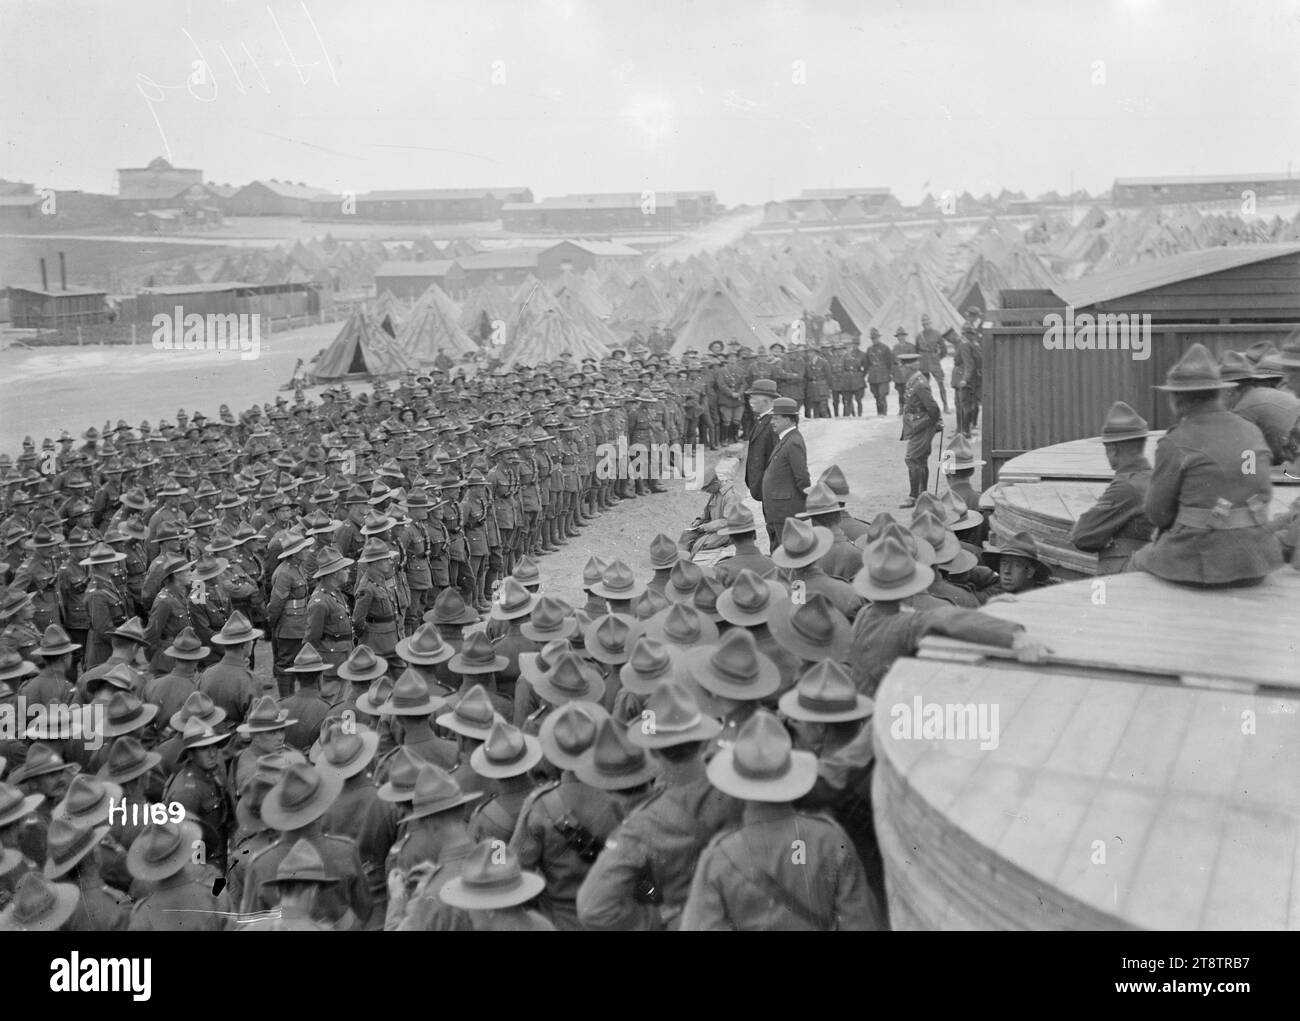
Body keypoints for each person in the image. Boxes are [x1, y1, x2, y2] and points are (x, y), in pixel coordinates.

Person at [680, 710, 882, 930]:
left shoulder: (719, 857)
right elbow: (861, 922)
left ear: (736, 785)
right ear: (790, 774)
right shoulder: (831, 840)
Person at [1130, 343, 1284, 586]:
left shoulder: (1176, 441)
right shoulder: (1251, 432)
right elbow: (1259, 487)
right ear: (1218, 393)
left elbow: (1157, 513)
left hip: (1199, 559)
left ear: (1178, 398)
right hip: (1256, 556)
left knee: (1135, 565)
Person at [847, 534, 1050, 697]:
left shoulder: (866, 614)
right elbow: (944, 617)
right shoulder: (907, 624)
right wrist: (1015, 635)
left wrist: (986, 608)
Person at [1069, 402, 1155, 575]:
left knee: (1097, 599)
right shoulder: (1156, 479)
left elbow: (1082, 536)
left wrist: (1105, 536)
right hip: (1146, 573)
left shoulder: (1125, 486)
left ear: (1113, 450)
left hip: (1119, 579)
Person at [759, 397, 809, 551]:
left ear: (789, 419)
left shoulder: (793, 441)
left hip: (786, 510)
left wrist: (803, 504)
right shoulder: (786, 439)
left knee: (786, 552)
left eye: (776, 418)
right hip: (778, 510)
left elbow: (802, 478)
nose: (772, 422)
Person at [897, 351, 941, 508]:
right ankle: (923, 495)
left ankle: (914, 496)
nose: (900, 368)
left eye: (902, 365)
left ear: (909, 367)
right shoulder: (914, 381)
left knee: (912, 459)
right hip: (919, 426)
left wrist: (930, 426)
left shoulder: (919, 384)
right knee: (920, 460)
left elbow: (933, 408)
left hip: (921, 427)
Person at [742, 379, 779, 503]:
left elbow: (776, 459)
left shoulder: (774, 423)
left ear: (766, 400)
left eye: (753, 398)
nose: (750, 402)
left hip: (771, 488)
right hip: (765, 488)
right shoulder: (762, 420)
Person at [864, 329, 895, 417]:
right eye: (873, 338)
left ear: (879, 338)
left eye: (876, 338)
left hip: (883, 375)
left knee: (882, 395)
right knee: (876, 396)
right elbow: (867, 363)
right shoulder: (869, 349)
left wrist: (891, 373)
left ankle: (884, 413)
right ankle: (879, 413)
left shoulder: (885, 348)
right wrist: (864, 374)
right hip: (873, 376)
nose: (874, 340)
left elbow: (890, 361)